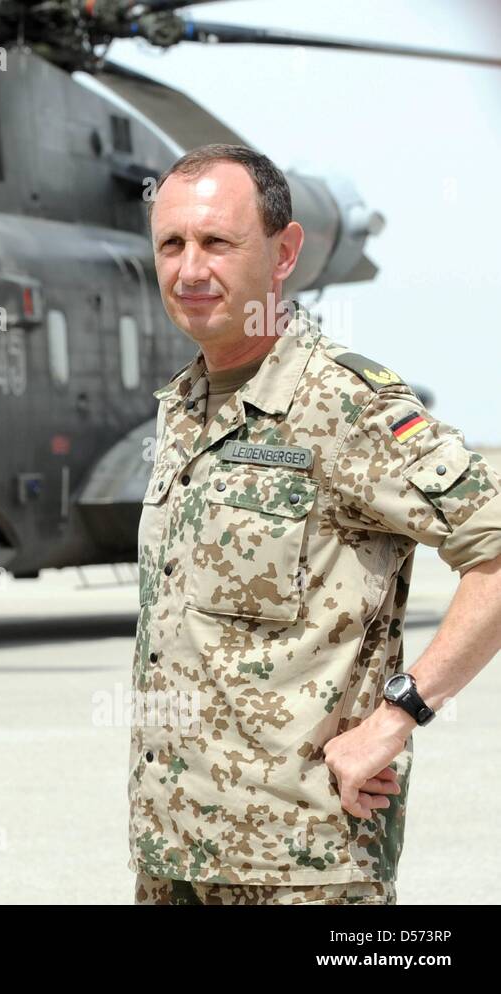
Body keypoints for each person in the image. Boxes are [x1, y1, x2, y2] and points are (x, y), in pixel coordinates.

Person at [132, 143, 501, 905]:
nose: (190, 269)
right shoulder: (184, 410)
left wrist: (399, 715)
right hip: (172, 860)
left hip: (306, 869)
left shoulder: (343, 402)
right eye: (172, 243)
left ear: (284, 252)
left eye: (218, 243)